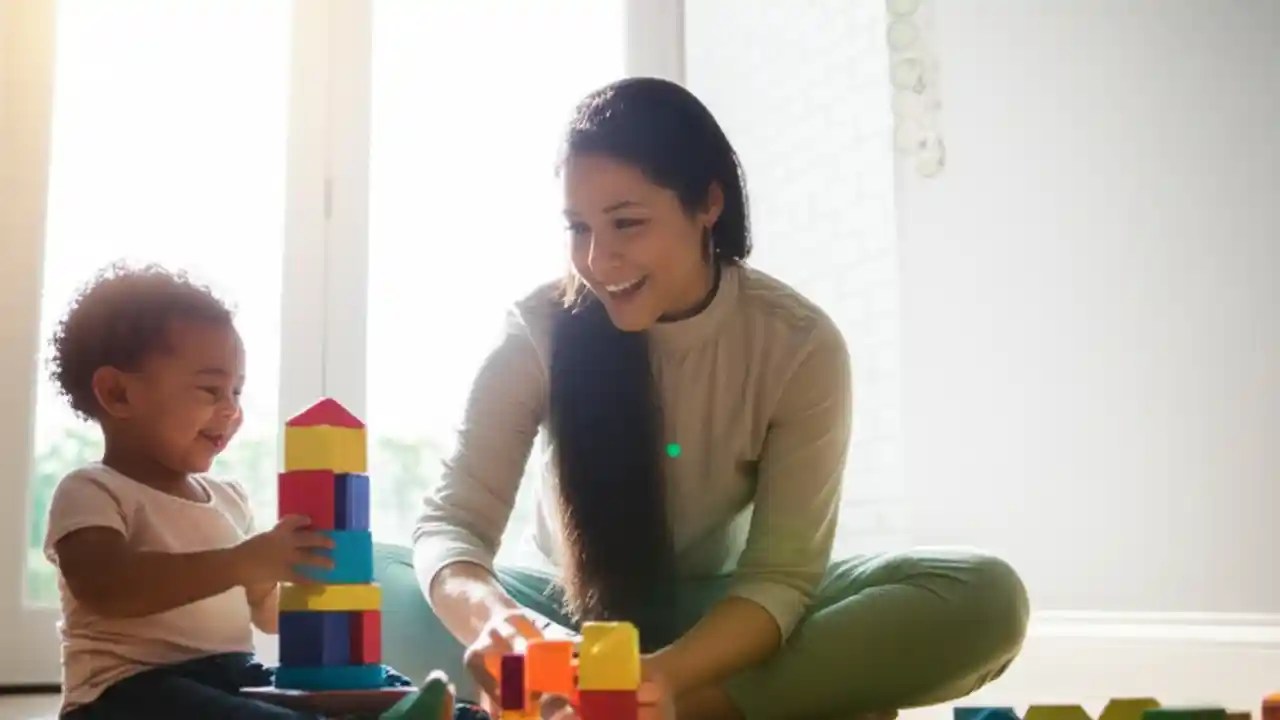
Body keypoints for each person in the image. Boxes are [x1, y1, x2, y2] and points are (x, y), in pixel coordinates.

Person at [409, 77, 1030, 720]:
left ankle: (679, 706)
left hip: (723, 622)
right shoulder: (539, 329)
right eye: (578, 227)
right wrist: (505, 625)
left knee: (984, 597)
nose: (598, 258)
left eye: (627, 222)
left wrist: (661, 678)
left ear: (708, 203)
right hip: (562, 616)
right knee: (370, 581)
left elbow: (779, 578)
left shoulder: (798, 344)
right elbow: (452, 526)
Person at [41, 263, 337, 719]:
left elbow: (268, 616)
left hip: (234, 677)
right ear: (118, 393)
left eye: (236, 391)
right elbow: (107, 588)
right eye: (210, 389)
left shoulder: (230, 498)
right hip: (127, 693)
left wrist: (290, 577)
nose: (232, 410)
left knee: (321, 701)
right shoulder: (92, 490)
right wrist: (243, 561)